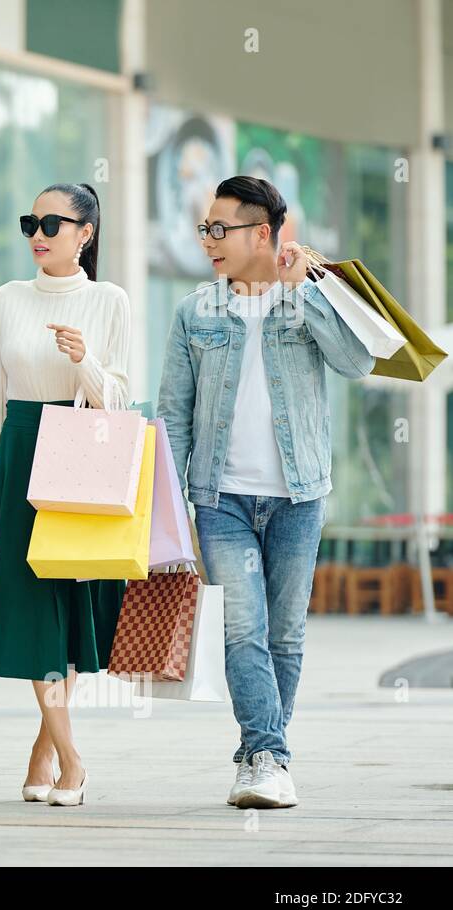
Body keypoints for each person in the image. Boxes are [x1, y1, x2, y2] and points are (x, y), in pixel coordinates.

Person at [157, 176, 373, 810]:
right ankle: (264, 757)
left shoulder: (304, 297)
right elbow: (173, 414)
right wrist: (169, 508)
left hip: (299, 496)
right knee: (243, 628)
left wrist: (305, 290)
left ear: (263, 233)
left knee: (286, 634)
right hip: (220, 497)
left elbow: (357, 363)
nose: (208, 242)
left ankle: (267, 751)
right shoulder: (194, 310)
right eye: (205, 229)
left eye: (219, 229)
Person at [0, 183, 131, 808]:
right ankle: (71, 762)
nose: (37, 234)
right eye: (29, 223)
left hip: (81, 449)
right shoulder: (7, 298)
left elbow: (118, 397)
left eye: (51, 222)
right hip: (20, 453)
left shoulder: (109, 300)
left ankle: (44, 751)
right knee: (33, 608)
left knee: (68, 610)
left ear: (85, 233)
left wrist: (86, 360)